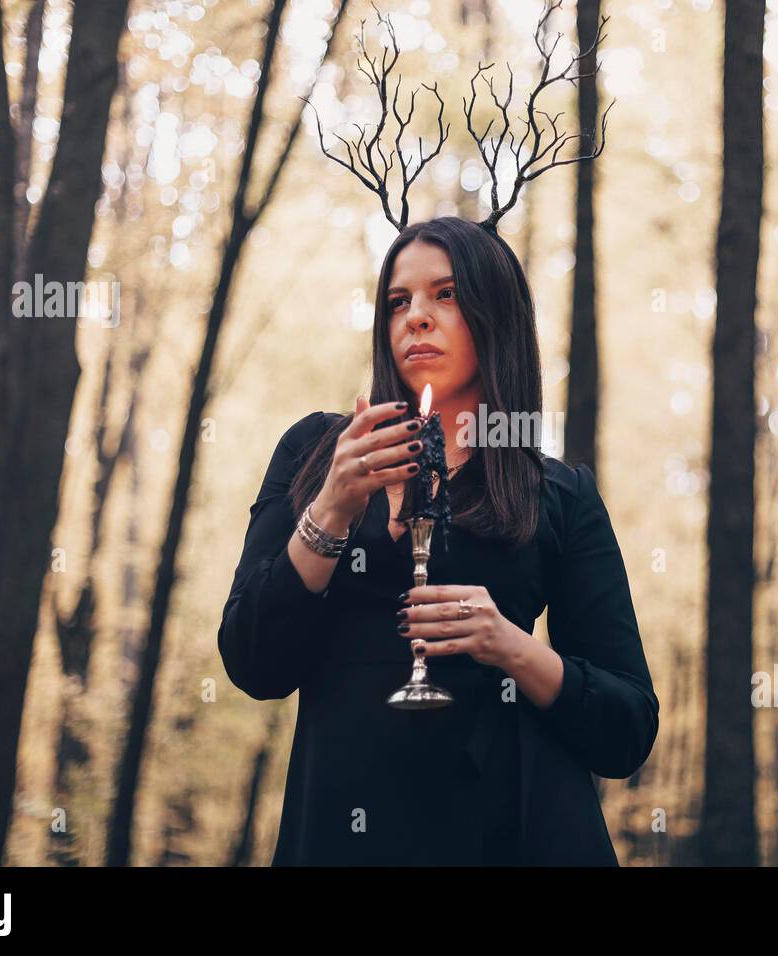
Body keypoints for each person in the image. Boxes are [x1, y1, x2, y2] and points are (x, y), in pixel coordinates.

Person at [217, 217, 658, 865]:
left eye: (444, 295)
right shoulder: (316, 452)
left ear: (495, 313)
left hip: (508, 833)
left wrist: (511, 646)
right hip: (343, 834)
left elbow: (627, 729)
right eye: (399, 302)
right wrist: (334, 506)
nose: (416, 317)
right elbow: (254, 663)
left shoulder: (556, 494)